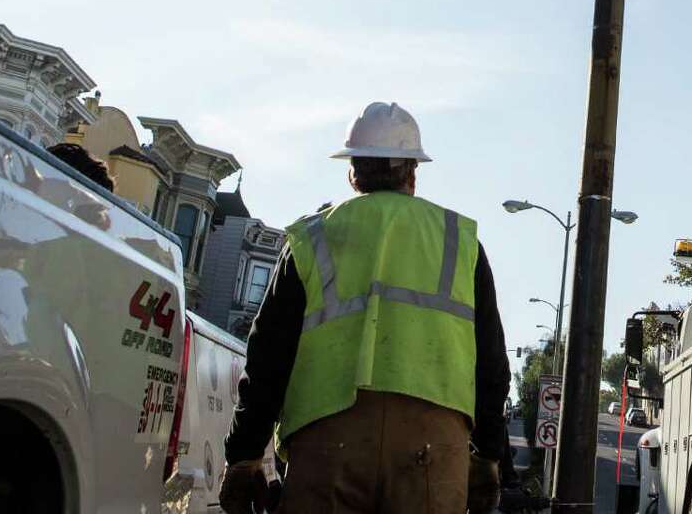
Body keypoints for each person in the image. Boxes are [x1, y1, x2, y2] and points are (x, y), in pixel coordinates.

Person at [219, 102, 512, 514]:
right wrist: (487, 456)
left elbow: (268, 359)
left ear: (352, 172)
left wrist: (244, 455)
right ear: (413, 172)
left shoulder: (311, 238)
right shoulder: (459, 243)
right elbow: (492, 365)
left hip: (327, 439)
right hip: (432, 445)